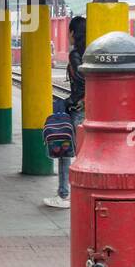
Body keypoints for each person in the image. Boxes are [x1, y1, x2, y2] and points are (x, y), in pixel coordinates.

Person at [45, 16, 86, 210]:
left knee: (64, 149)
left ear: (72, 33)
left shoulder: (75, 54)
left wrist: (73, 101)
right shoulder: (90, 52)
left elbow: (82, 81)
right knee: (84, 152)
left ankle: (64, 194)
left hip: (78, 109)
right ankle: (82, 193)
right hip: (90, 108)